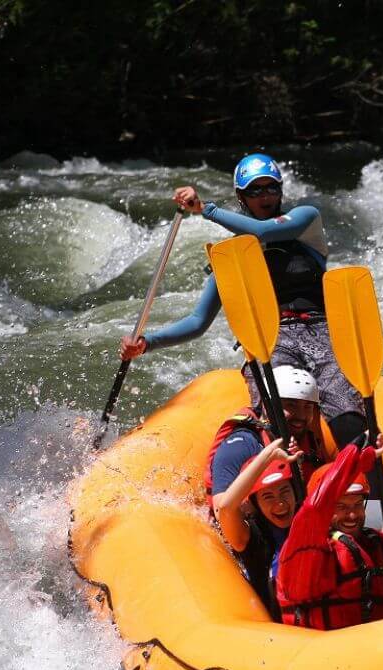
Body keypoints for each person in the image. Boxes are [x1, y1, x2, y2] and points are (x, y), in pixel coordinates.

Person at [120, 152, 366, 448]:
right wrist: (146, 343)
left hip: (323, 331)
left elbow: (262, 231)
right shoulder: (231, 258)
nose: (265, 196)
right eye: (255, 190)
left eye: (271, 187)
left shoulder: (305, 220)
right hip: (270, 339)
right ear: (241, 196)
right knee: (277, 414)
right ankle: (282, 481)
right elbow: (198, 322)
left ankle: (371, 491)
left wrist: (205, 209)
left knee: (346, 412)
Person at [276, 437, 383, 630]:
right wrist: (354, 452)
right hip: (323, 652)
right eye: (340, 506)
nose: (352, 514)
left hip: (374, 648)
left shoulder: (375, 542)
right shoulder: (305, 550)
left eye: (358, 505)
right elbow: (313, 511)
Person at [205, 365, 329, 513]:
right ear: (267, 405)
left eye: (307, 407)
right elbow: (221, 510)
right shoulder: (241, 445)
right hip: (252, 529)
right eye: (291, 405)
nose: (301, 415)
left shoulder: (309, 441)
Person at [211, 438, 302, 621]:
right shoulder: (249, 537)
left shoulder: (306, 517)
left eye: (285, 491)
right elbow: (226, 508)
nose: (280, 503)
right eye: (268, 497)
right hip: (282, 635)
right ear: (255, 504)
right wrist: (267, 457)